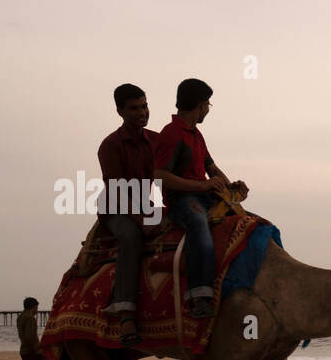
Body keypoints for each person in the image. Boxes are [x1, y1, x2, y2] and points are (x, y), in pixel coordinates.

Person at [152, 79, 249, 319]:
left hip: (204, 195)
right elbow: (159, 176)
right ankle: (199, 296)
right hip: (182, 201)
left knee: (248, 223)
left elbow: (212, 168)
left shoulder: (196, 135)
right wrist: (201, 185)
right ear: (200, 105)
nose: (208, 109)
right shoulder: (172, 134)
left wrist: (231, 189)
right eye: (208, 104)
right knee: (199, 225)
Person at [97, 83, 157, 345]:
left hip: (146, 206)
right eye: (134, 108)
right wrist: (142, 220)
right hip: (116, 208)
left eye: (144, 106)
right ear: (119, 111)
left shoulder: (156, 140)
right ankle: (125, 313)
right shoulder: (110, 145)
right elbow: (118, 191)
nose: (142, 112)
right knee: (132, 237)